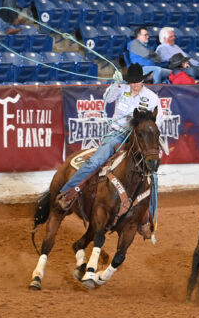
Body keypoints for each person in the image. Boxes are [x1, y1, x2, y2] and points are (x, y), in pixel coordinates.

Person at [55, 63, 164, 228]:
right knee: (96, 160)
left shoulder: (151, 98)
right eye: (132, 81)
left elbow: (158, 120)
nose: (134, 84)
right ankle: (67, 193)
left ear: (142, 80)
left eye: (137, 81)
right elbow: (107, 98)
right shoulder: (122, 89)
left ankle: (147, 219)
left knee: (152, 175)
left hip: (138, 139)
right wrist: (115, 83)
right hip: (117, 133)